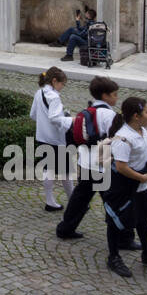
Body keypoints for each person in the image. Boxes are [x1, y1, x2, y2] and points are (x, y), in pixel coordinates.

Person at [55, 76, 137, 250]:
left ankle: (65, 228)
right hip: (103, 164)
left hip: (85, 161)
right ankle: (124, 237)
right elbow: (116, 141)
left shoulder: (87, 111)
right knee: (116, 201)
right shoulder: (111, 116)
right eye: (114, 94)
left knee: (80, 198)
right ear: (105, 96)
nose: (116, 98)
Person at [101, 97, 147, 278]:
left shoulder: (142, 131)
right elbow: (121, 167)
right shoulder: (123, 139)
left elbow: (145, 151)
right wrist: (141, 177)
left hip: (139, 186)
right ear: (136, 116)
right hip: (122, 186)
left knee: (142, 218)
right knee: (115, 220)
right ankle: (113, 257)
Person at [31, 66, 74, 211]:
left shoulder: (39, 93)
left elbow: (33, 114)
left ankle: (50, 201)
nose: (62, 87)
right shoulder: (54, 96)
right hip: (56, 139)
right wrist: (71, 120)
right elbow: (55, 118)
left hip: (42, 136)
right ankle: (74, 202)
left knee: (48, 169)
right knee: (66, 171)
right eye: (62, 84)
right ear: (55, 81)